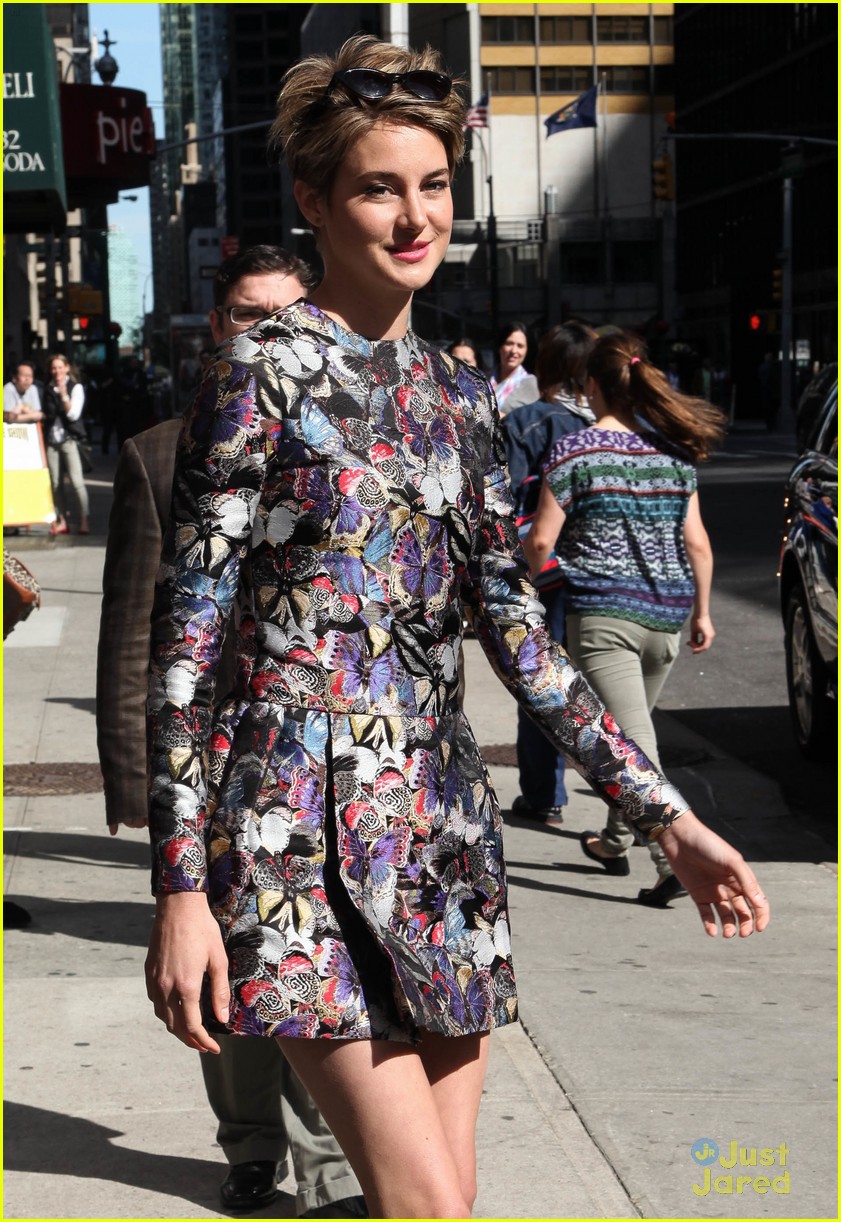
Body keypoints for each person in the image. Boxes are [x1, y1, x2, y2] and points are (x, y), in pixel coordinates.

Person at [144, 35, 769, 1221]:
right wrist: (180, 887)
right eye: (381, 186)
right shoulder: (257, 375)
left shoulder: (461, 398)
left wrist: (666, 821)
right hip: (291, 831)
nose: (414, 214)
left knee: (448, 1207)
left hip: (437, 831)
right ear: (319, 201)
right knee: (422, 1201)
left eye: (433, 184)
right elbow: (187, 645)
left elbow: (523, 640)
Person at [97, 245, 365, 1219]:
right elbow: (134, 622)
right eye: (247, 317)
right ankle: (250, 1147)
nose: (265, 336)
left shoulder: (351, 438)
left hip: (314, 759)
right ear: (216, 326)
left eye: (285, 316)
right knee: (229, 976)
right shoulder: (159, 449)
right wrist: (138, 783)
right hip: (204, 762)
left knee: (312, 963)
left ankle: (329, 1166)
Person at [524, 332, 721, 907]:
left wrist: (537, 585)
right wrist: (703, 612)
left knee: (632, 744)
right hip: (667, 618)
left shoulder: (575, 452)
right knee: (631, 742)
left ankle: (669, 861)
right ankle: (614, 841)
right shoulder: (672, 453)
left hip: (603, 617)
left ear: (589, 385)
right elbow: (699, 544)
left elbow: (540, 542)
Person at [502, 321, 598, 822]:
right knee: (603, 688)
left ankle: (544, 795)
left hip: (546, 569)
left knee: (542, 680)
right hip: (600, 576)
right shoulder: (605, 428)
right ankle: (619, 804)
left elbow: (507, 498)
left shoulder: (526, 422)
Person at [42, 353, 89, 536]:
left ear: (67, 367)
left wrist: (63, 395)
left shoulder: (75, 388)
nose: (57, 371)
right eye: (53, 368)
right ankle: (63, 520)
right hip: (52, 441)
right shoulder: (47, 389)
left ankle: (84, 519)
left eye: (60, 367)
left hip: (69, 440)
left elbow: (73, 415)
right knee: (55, 483)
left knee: (77, 482)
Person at [490, 321, 538, 415]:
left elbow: (532, 421)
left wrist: (503, 418)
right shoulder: (484, 379)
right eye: (509, 343)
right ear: (500, 346)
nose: (514, 351)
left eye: (520, 346)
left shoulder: (531, 384)